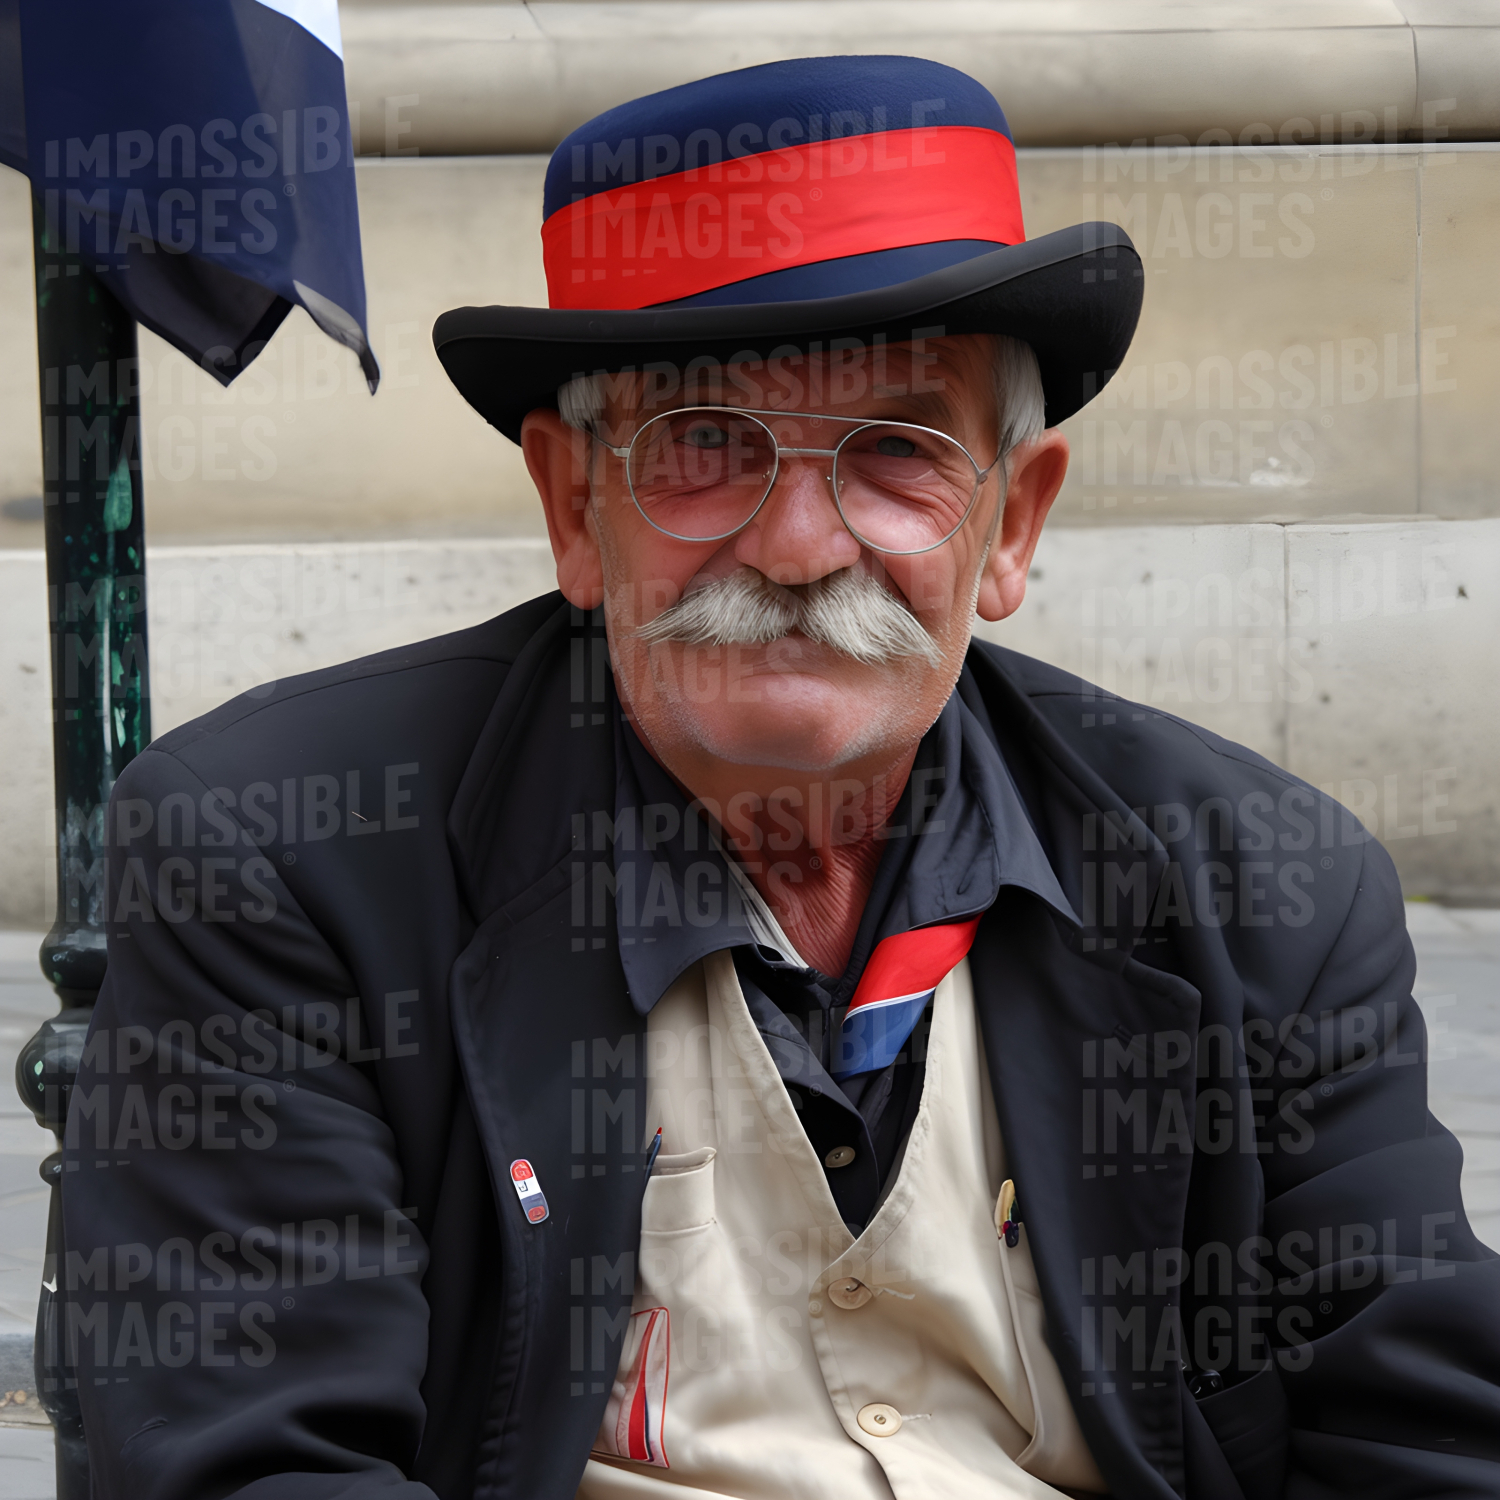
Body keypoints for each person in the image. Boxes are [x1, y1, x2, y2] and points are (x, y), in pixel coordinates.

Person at [67, 55, 1497, 1500]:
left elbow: (1418, 1426)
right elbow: (256, 1461)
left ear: (1011, 525)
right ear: (574, 504)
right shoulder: (287, 857)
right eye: (704, 444)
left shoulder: (1268, 889)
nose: (801, 547)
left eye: (897, 451)